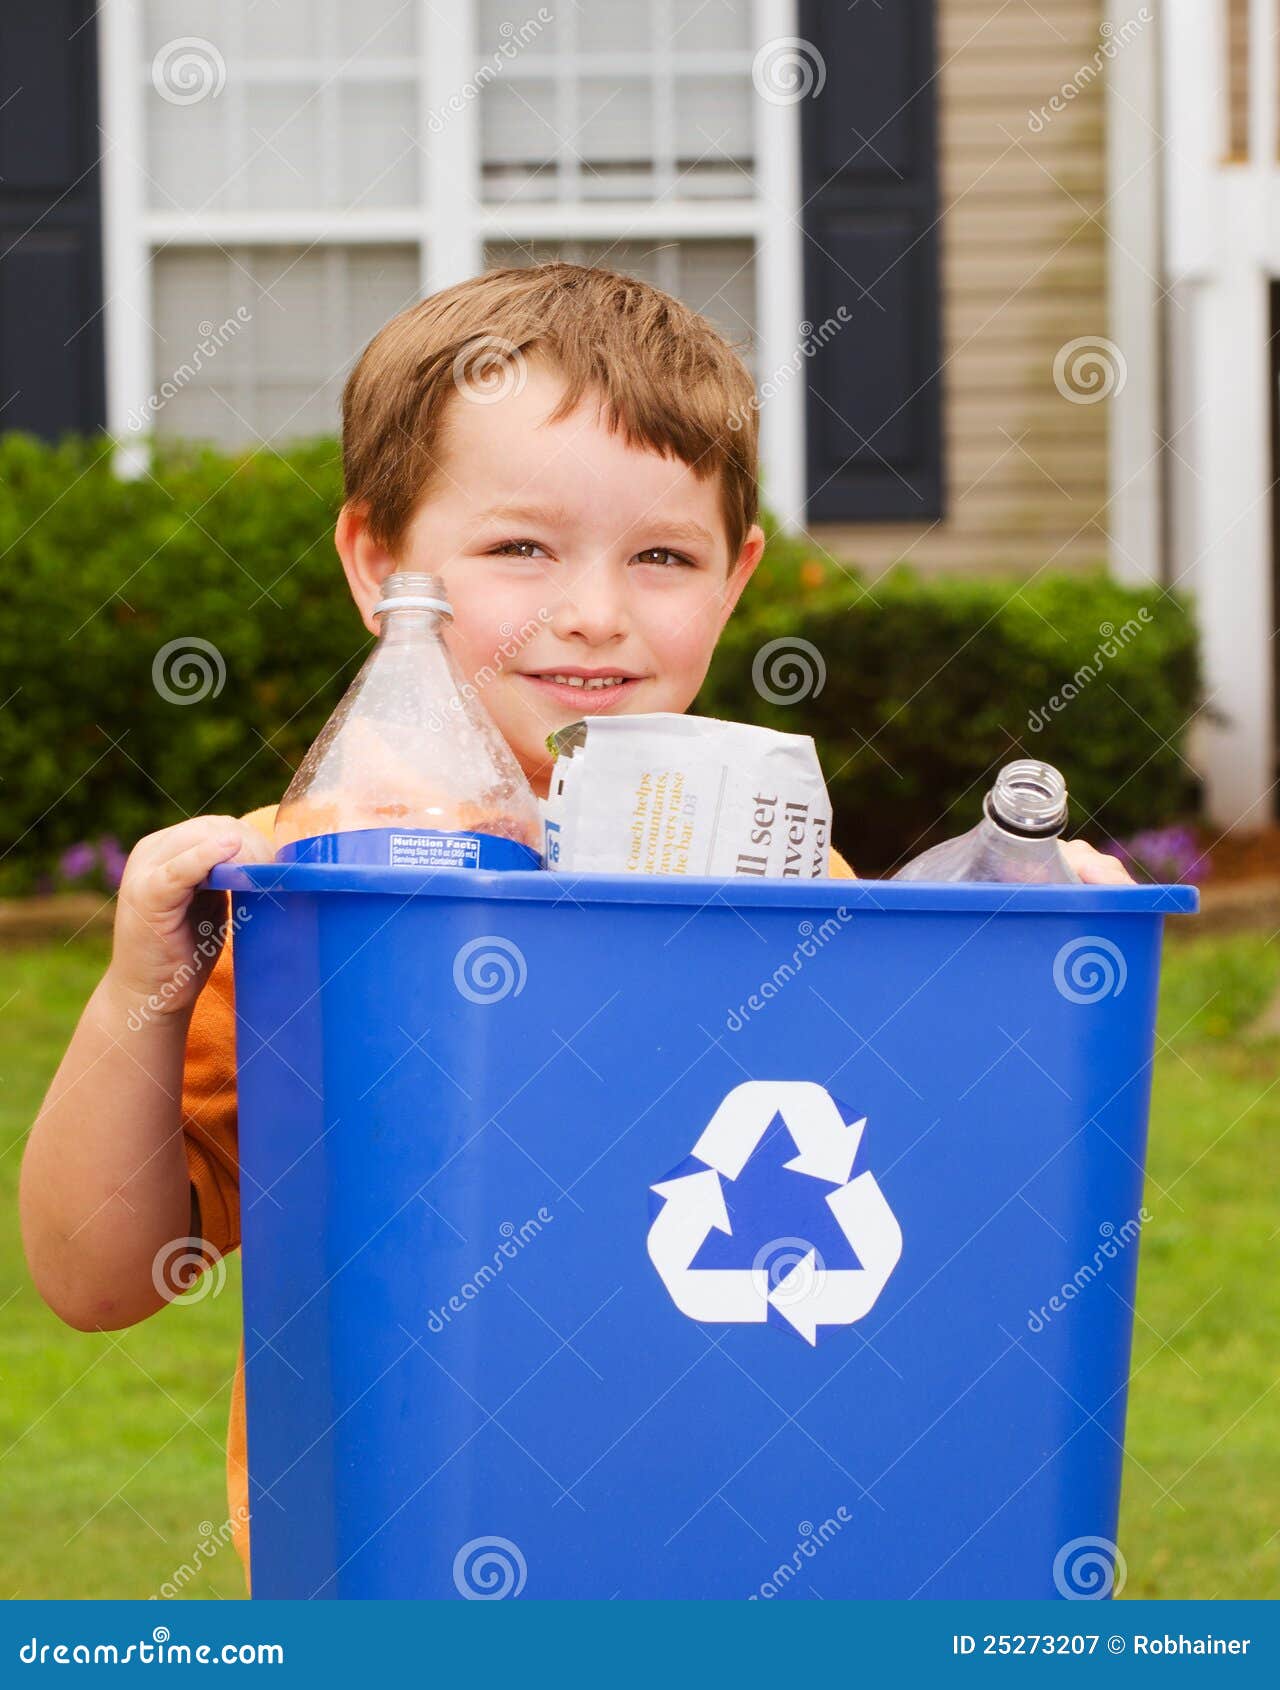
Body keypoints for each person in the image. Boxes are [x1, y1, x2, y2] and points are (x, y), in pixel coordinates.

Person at [19, 263, 1131, 1590]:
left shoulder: (785, 871)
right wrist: (139, 989)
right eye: (519, 547)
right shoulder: (318, 892)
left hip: (747, 1576)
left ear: (737, 578)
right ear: (379, 563)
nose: (596, 610)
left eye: (663, 554)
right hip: (413, 1593)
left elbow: (939, 1202)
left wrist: (1034, 972)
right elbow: (96, 1274)